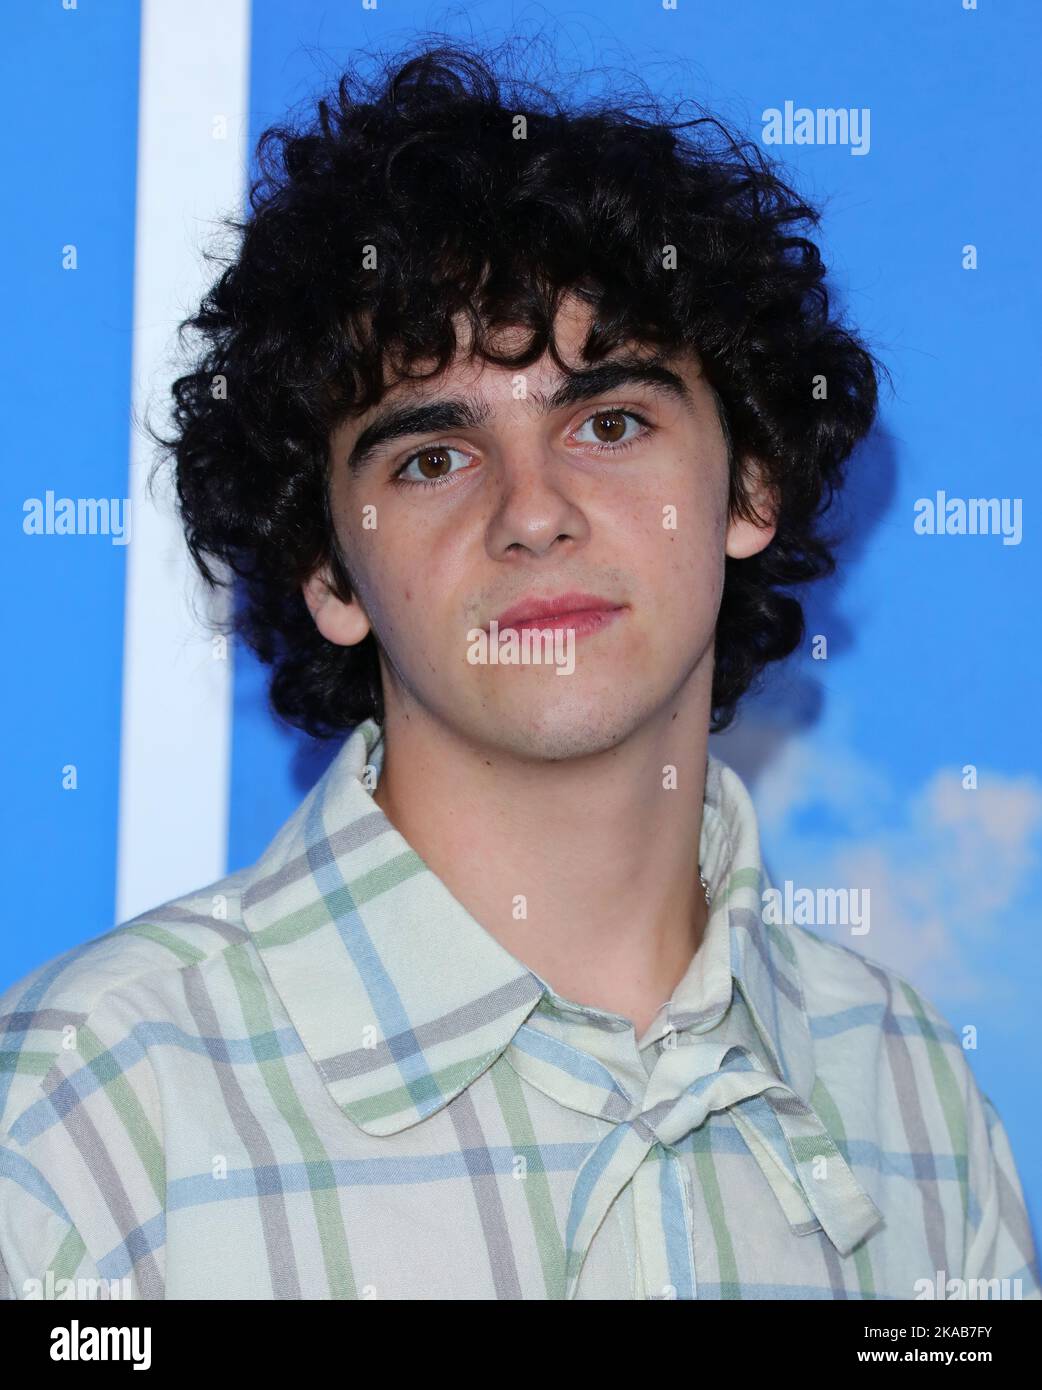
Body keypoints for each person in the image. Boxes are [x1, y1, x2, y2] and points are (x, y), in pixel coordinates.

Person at [1, 42, 1037, 1301]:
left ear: (749, 486)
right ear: (329, 571)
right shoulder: (85, 1123)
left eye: (609, 422)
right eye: (432, 458)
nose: (533, 511)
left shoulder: (912, 1097)